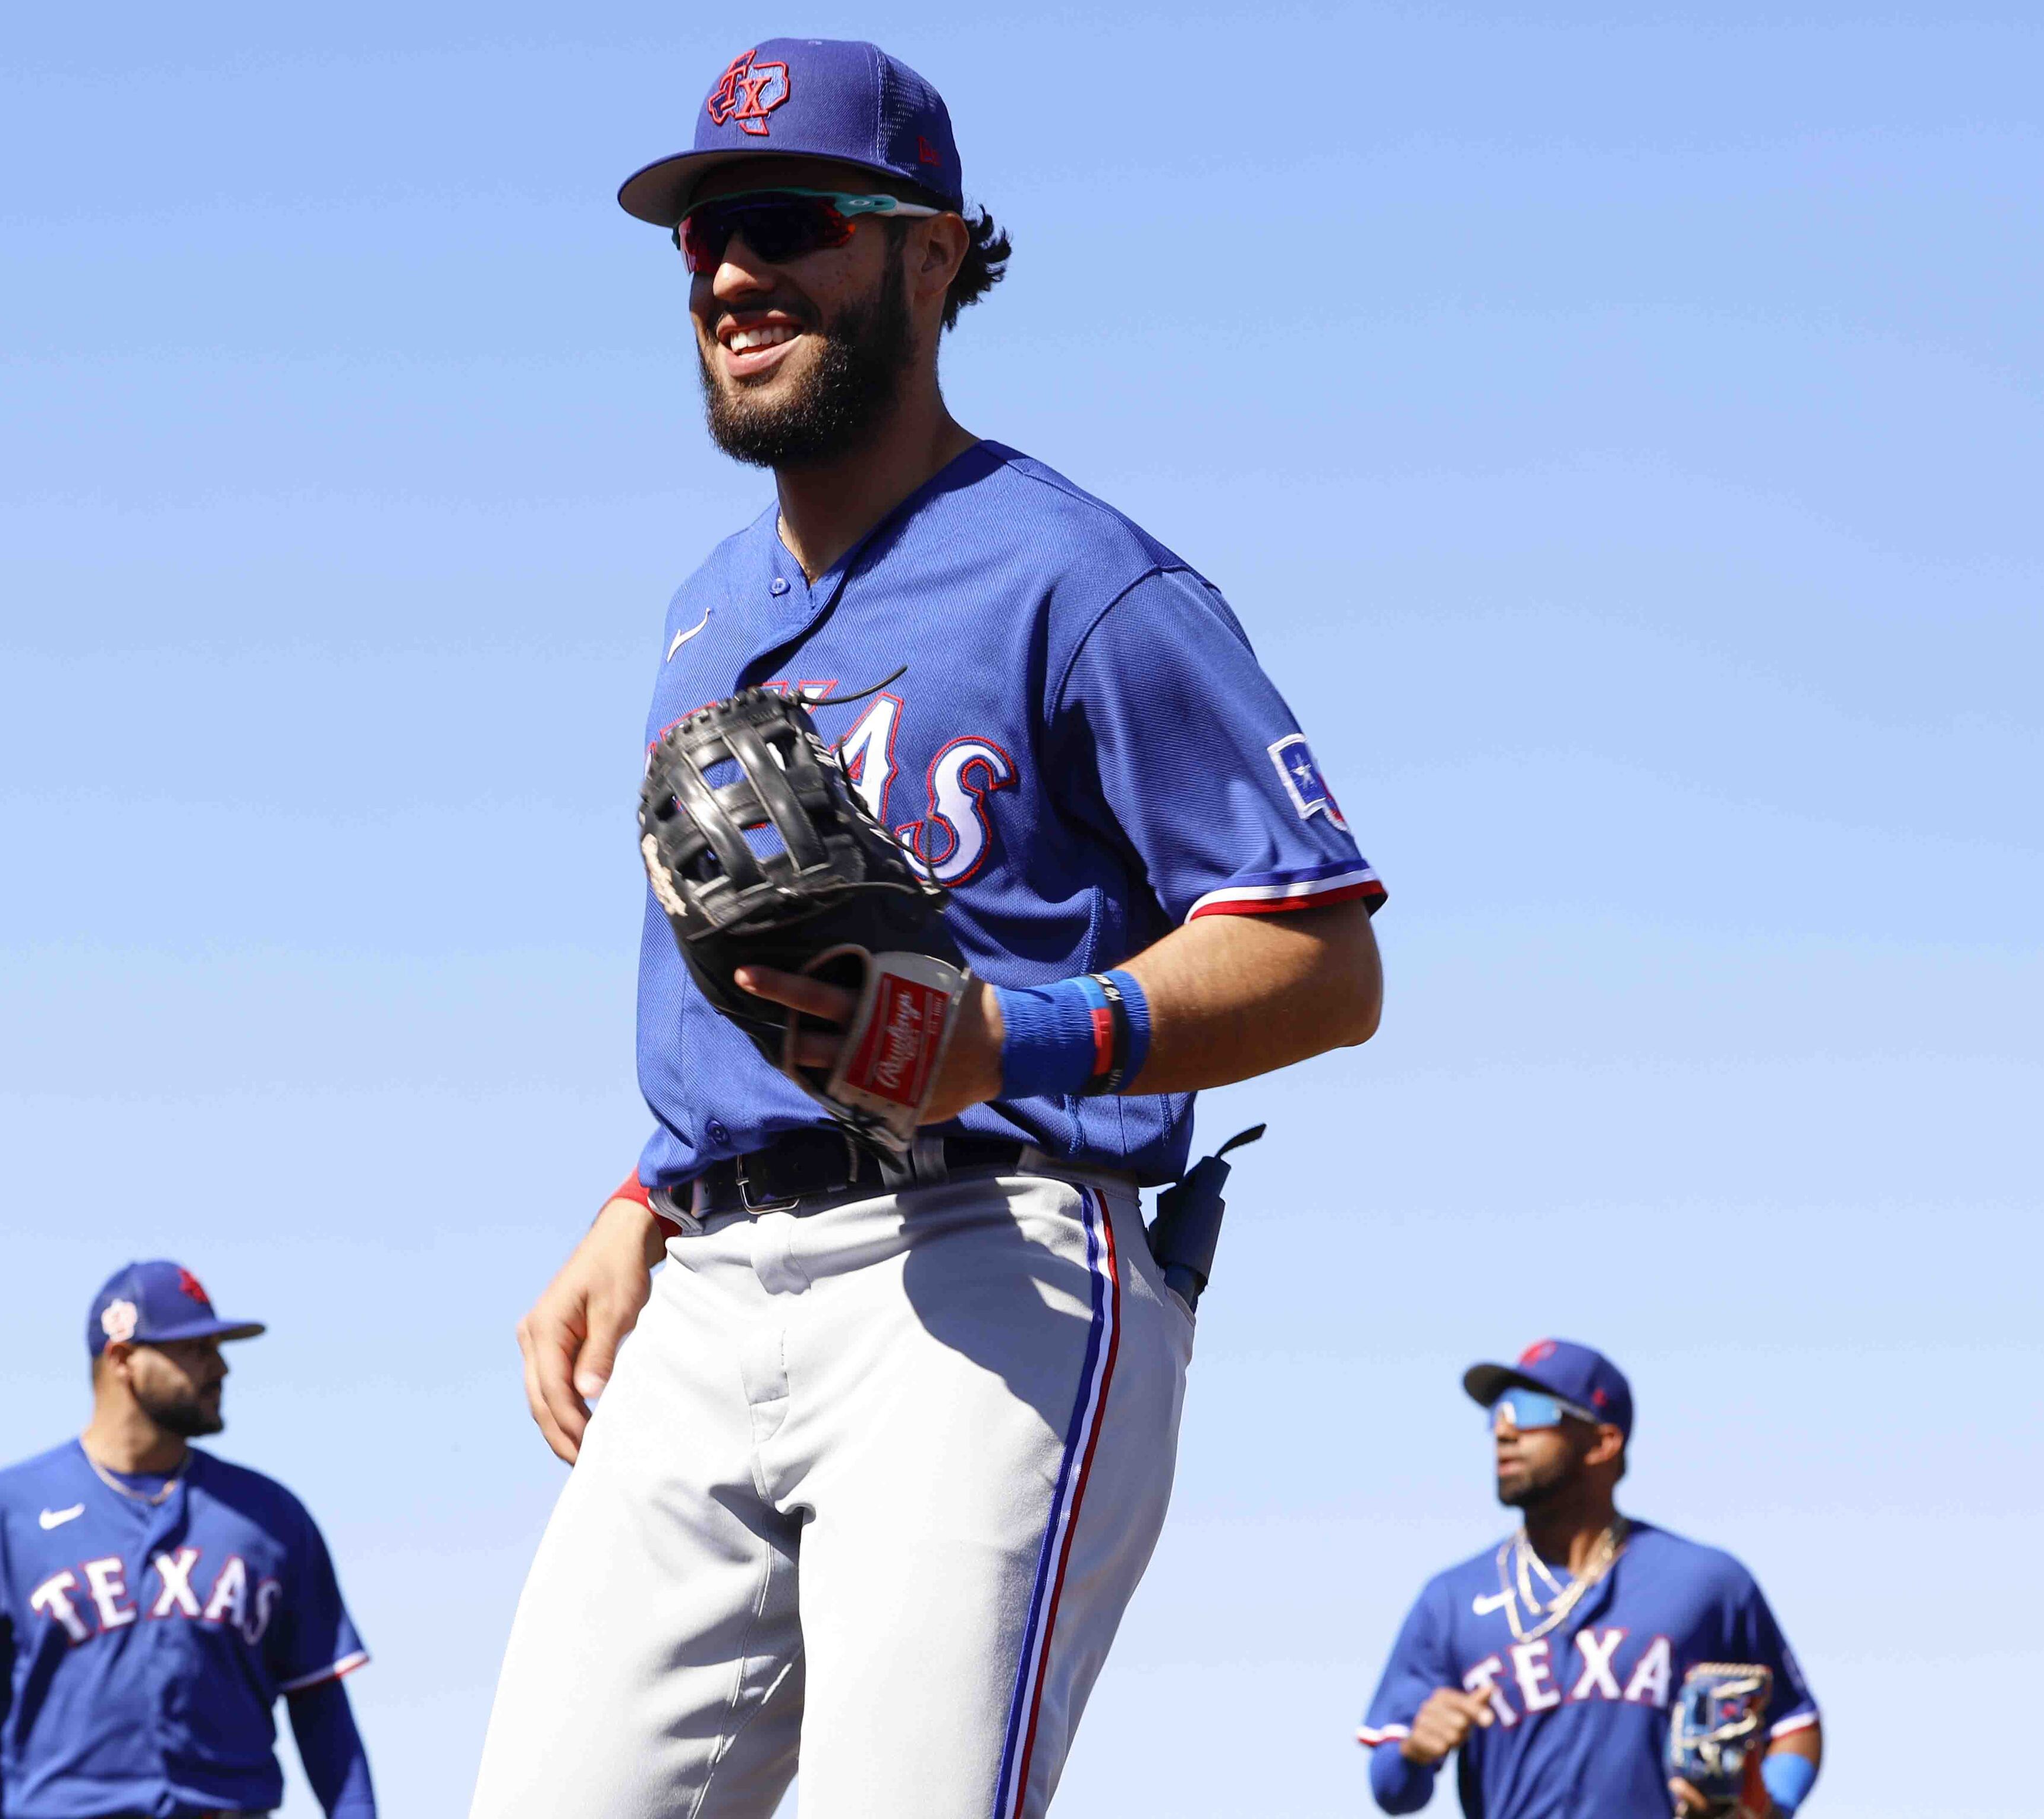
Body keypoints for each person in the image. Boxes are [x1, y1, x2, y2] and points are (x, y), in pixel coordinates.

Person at [469, 37, 1386, 1819]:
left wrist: (1020, 1034)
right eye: (704, 235)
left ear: (934, 252)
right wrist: (640, 1190)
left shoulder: (1081, 576)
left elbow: (1323, 958)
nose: (734, 272)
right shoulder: (700, 607)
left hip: (994, 1259)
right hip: (712, 1288)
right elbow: (761, 984)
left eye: (790, 223)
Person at [0, 1260, 376, 1819]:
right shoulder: (2, 1513)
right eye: (194, 1350)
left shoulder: (269, 1517)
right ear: (122, 1359)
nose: (220, 1368)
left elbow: (320, 1703)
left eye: (217, 1347)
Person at [1358, 1340, 1825, 1818]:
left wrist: (1768, 1809)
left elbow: (1794, 1721)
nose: (1503, 1430)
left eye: (1528, 1410)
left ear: (1603, 1442)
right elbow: (1392, 1789)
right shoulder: (1451, 1599)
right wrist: (1414, 1751)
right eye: (1498, 1412)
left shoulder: (1705, 1581)